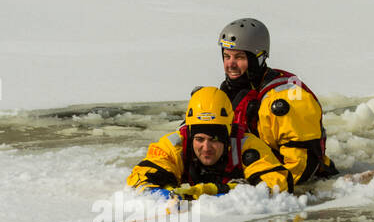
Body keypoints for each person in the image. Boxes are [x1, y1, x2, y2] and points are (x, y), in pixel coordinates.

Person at [217, 17, 338, 186]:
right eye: (226, 56)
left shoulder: (287, 99)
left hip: (286, 183)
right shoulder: (233, 91)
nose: (230, 64)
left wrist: (264, 188)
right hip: (251, 175)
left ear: (257, 58)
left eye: (239, 57)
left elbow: (301, 166)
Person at [128, 87, 290, 196]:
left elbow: (277, 183)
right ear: (190, 136)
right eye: (199, 139)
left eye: (214, 140)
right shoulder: (174, 145)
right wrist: (169, 193)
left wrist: (221, 190)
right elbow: (140, 179)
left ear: (227, 137)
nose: (206, 147)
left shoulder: (247, 145)